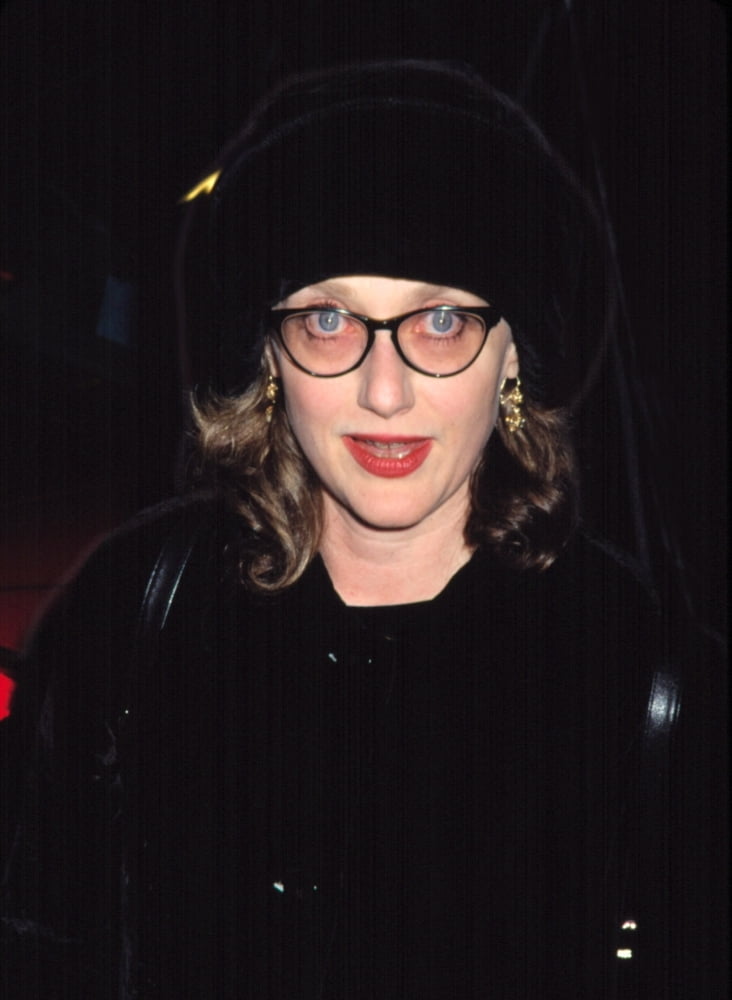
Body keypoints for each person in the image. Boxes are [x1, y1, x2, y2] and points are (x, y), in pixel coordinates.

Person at [1, 60, 724, 999]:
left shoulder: (636, 671)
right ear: (268, 355)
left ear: (515, 362)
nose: (384, 394)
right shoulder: (137, 610)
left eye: (441, 320)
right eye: (330, 319)